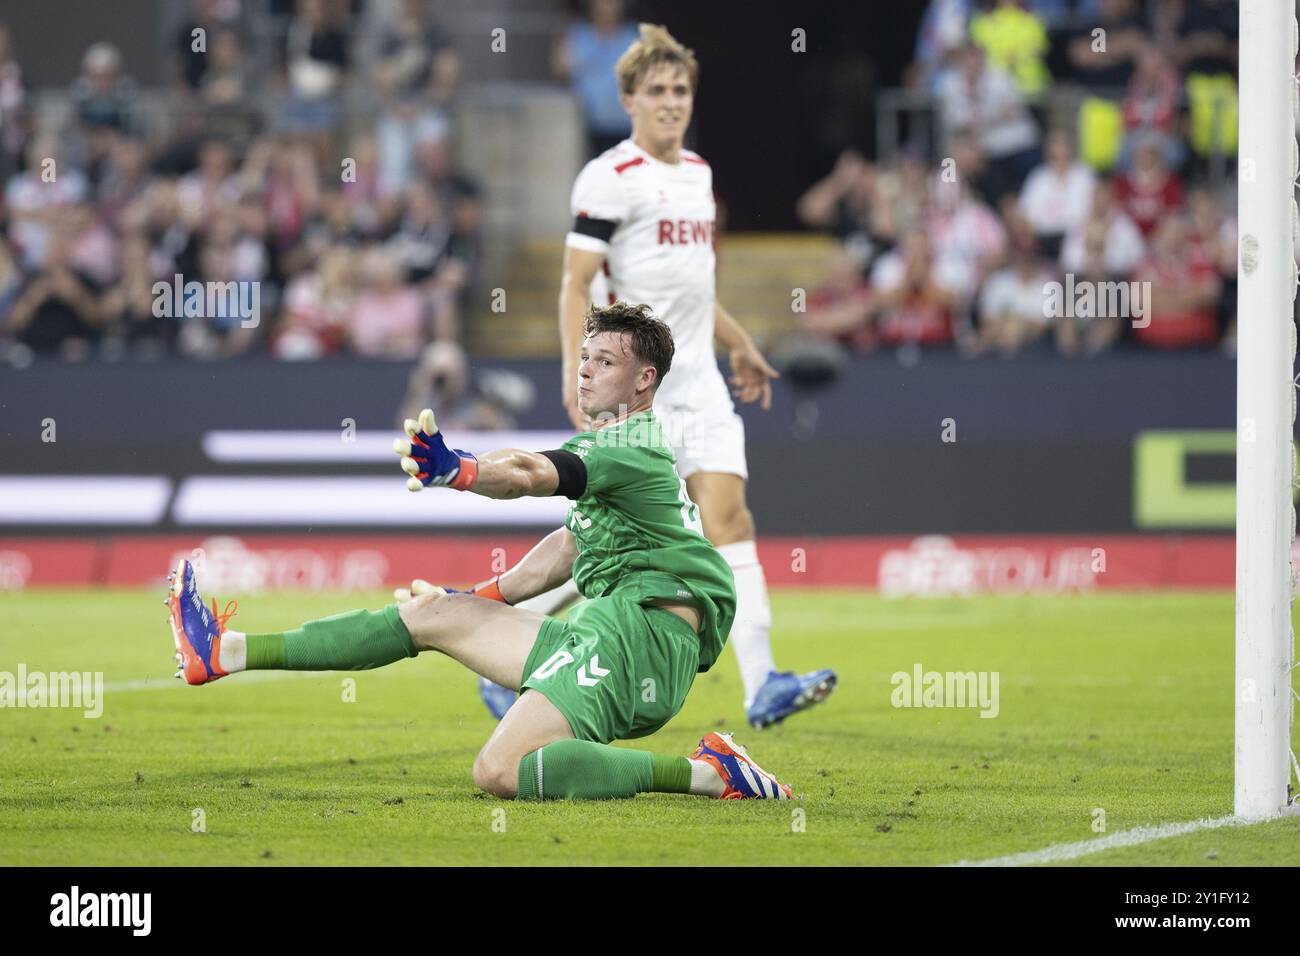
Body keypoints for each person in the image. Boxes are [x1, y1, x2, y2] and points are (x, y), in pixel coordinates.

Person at [167, 303, 794, 802]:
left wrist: (457, 469)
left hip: (642, 640)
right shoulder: (616, 461)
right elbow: (554, 561)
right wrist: (469, 600)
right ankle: (221, 652)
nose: (584, 370)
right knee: (434, 615)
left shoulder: (630, 446)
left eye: (604, 361)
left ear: (644, 379)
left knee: (499, 771)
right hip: (608, 630)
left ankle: (706, 773)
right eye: (583, 357)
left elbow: (524, 470)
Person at [481, 23, 836, 730]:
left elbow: (695, 292)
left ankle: (763, 683)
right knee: (606, 545)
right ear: (629, 99)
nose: (671, 102)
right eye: (657, 91)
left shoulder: (698, 176)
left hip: (699, 382)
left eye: (680, 90)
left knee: (728, 517)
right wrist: (573, 373)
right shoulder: (608, 178)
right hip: (637, 387)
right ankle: (501, 651)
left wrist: (740, 344)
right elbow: (574, 283)